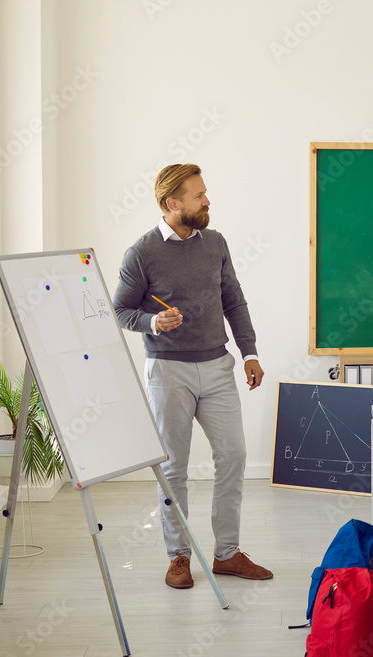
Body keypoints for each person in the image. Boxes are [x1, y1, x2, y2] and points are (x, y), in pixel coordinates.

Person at [113, 163, 272, 589]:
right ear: (172, 203)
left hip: (218, 366)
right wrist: (152, 322)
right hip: (168, 371)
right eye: (199, 195)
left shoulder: (215, 243)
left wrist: (250, 353)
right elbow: (120, 310)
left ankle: (227, 554)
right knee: (174, 468)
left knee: (234, 456)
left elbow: (234, 301)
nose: (207, 201)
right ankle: (178, 557)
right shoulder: (141, 252)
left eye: (205, 193)